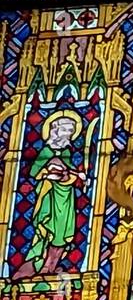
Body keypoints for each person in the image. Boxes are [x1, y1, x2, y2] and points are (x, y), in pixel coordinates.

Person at [14, 110, 84, 280]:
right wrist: (48, 170)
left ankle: (51, 265)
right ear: (55, 129)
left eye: (71, 131)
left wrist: (72, 174)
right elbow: (34, 173)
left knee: (62, 233)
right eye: (66, 130)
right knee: (45, 228)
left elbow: (71, 173)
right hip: (48, 195)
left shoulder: (67, 152)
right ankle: (37, 263)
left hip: (66, 196)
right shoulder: (45, 151)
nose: (69, 134)